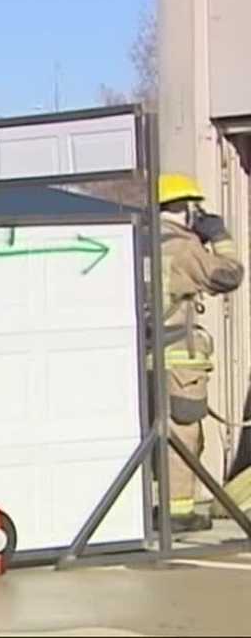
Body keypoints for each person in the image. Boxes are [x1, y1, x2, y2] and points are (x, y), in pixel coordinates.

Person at [157, 173, 244, 532]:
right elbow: (229, 276)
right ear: (188, 209)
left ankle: (163, 507)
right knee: (184, 431)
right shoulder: (182, 245)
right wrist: (220, 238)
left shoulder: (139, 238)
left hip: (146, 355)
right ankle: (178, 514)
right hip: (178, 356)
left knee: (157, 432)